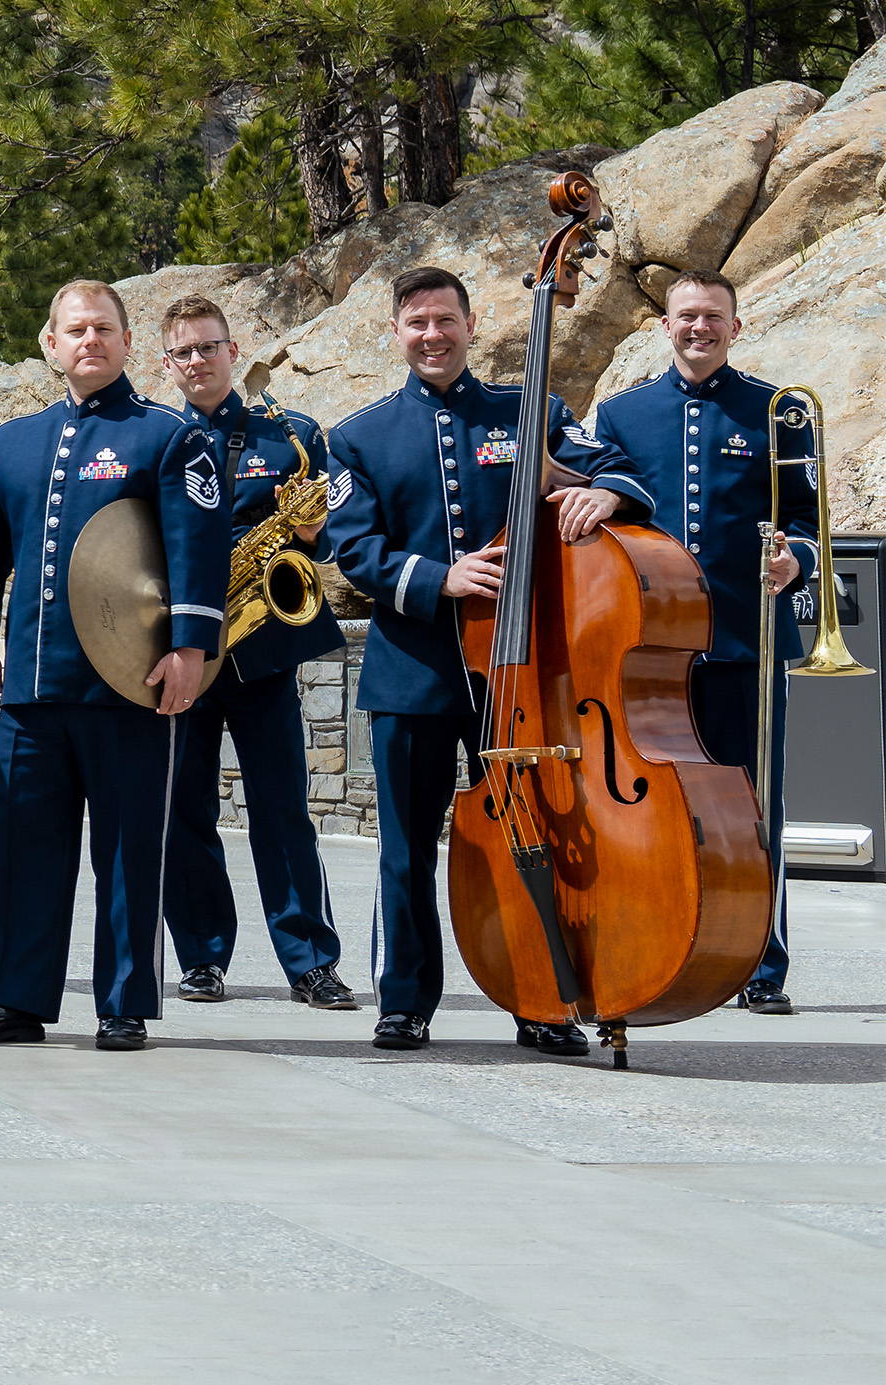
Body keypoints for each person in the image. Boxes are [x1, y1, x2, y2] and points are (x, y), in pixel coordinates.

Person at [326, 263, 655, 1055]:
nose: (433, 335)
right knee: (405, 848)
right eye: (417, 323)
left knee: (534, 831)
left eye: (446, 320)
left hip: (528, 676)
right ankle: (404, 1002)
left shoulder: (532, 410)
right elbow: (356, 552)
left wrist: (605, 494)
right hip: (415, 669)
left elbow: (618, 470)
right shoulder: (358, 435)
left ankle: (539, 1003)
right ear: (397, 333)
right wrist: (444, 578)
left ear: (472, 327)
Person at [0, 279, 224, 1055]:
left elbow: (197, 548)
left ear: (127, 343)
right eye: (75, 330)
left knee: (130, 850)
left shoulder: (169, 435)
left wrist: (191, 647)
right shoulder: (11, 444)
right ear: (51, 346)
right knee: (21, 849)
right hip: (30, 683)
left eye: (104, 328)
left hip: (130, 684)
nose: (90, 340)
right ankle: (9, 1001)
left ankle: (124, 1002)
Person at [585, 269, 815, 1013]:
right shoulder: (621, 416)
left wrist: (797, 560)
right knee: (654, 809)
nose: (699, 328)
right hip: (648, 652)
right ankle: (658, 943)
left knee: (751, 810)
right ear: (665, 326)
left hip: (747, 644)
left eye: (714, 316)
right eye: (687, 316)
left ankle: (761, 963)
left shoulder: (779, 414)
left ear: (736, 327)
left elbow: (811, 519)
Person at [150, 298, 352, 1009]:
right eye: (184, 352)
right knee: (184, 812)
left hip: (263, 649)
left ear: (234, 351)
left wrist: (311, 528)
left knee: (282, 811)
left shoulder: (290, 434)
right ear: (165, 364)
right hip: (182, 656)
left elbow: (319, 540)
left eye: (210, 347)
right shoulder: (155, 438)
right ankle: (201, 956)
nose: (199, 361)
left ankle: (311, 962)